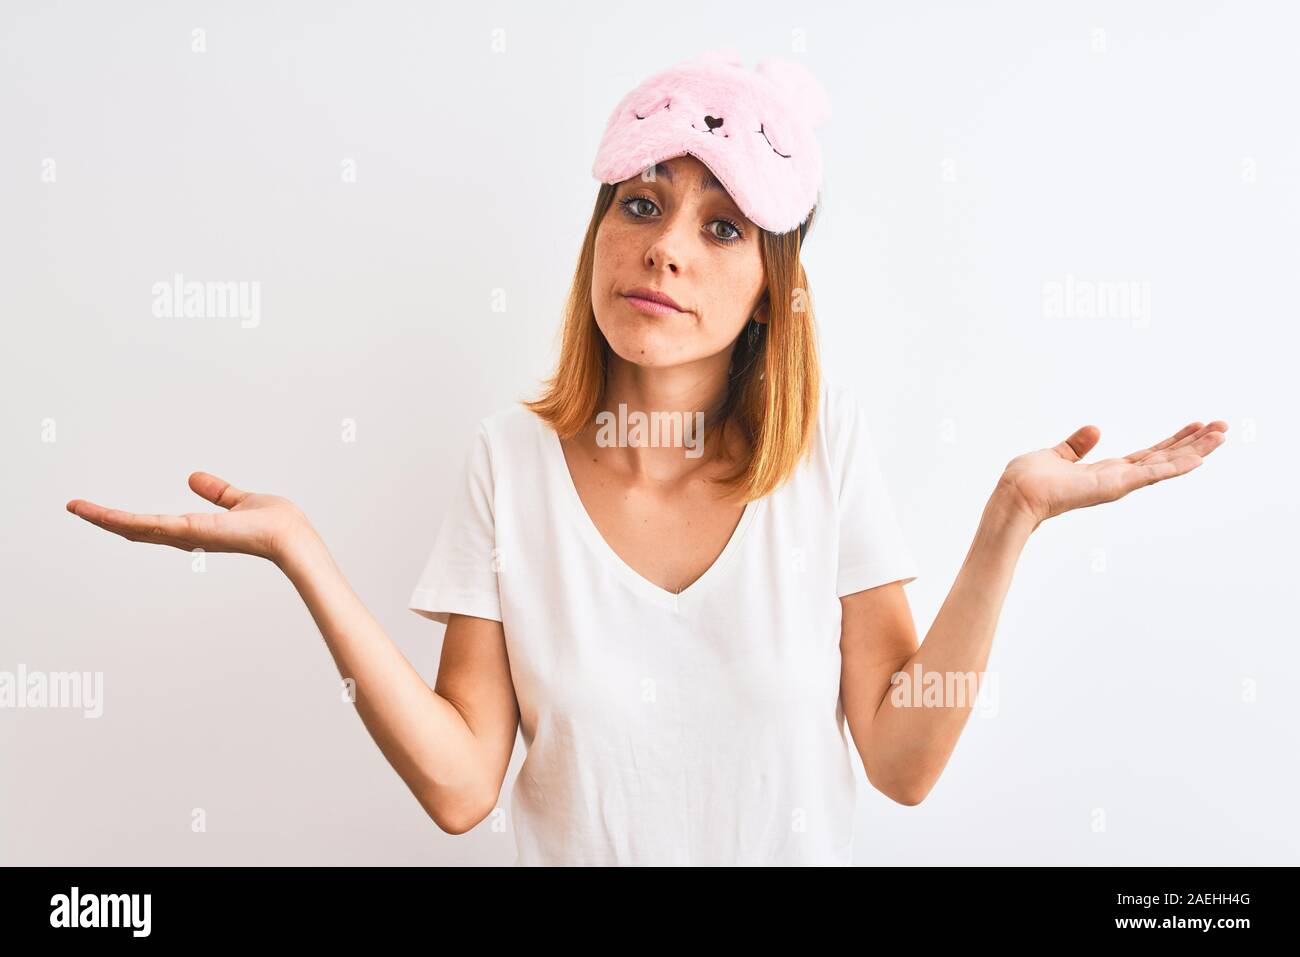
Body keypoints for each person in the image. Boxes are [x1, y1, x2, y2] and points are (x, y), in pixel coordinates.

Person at [64, 50, 1227, 866]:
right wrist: (303, 557)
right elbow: (464, 788)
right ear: (596, 235)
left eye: (720, 227)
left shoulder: (823, 453)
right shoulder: (507, 464)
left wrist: (1010, 518)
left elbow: (902, 757)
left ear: (772, 288)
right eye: (639, 204)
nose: (664, 249)